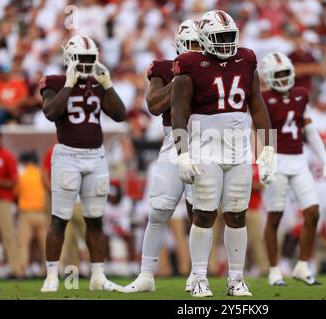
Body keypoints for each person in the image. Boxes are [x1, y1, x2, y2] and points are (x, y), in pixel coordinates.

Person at [171, 10, 274, 297]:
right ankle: (200, 278)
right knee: (203, 216)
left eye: (230, 37)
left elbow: (258, 107)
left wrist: (268, 148)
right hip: (206, 152)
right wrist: (182, 153)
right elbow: (178, 113)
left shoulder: (246, 60)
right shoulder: (189, 64)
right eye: (220, 37)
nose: (226, 43)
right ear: (204, 38)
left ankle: (236, 280)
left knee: (237, 216)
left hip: (239, 152)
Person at [39, 35, 126, 292]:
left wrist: (108, 84)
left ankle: (98, 275)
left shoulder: (97, 82)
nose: (87, 64)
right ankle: (52, 275)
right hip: (67, 156)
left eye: (90, 59)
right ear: (69, 58)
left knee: (96, 220)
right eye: (82, 59)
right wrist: (69, 84)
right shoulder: (54, 82)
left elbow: (120, 115)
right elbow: (51, 112)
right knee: (60, 219)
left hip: (96, 157)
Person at [119, 19, 201, 294]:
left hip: (205, 144)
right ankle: (146, 275)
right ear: (178, 46)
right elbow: (154, 105)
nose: (193, 49)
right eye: (188, 44)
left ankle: (198, 275)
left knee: (201, 214)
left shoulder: (214, 70)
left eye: (197, 44)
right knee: (158, 211)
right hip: (173, 142)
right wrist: (181, 78)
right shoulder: (165, 69)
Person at [259, 52, 326, 286]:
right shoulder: (263, 98)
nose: (283, 79)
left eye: (285, 74)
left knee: (312, 211)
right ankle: (274, 270)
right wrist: (262, 160)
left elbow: (309, 129)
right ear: (269, 77)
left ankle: (302, 265)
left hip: (298, 159)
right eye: (278, 75)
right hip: (277, 160)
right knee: (275, 215)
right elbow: (257, 131)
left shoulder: (301, 95)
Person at [16, 151, 47, 278]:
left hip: (26, 214)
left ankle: (22, 271)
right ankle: (48, 271)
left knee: (23, 245)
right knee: (45, 245)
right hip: (40, 214)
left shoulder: (22, 176)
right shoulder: (41, 174)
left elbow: (16, 192)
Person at [0, 128, 19, 278]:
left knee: (8, 234)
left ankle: (14, 268)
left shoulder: (7, 157)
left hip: (3, 201)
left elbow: (14, 182)